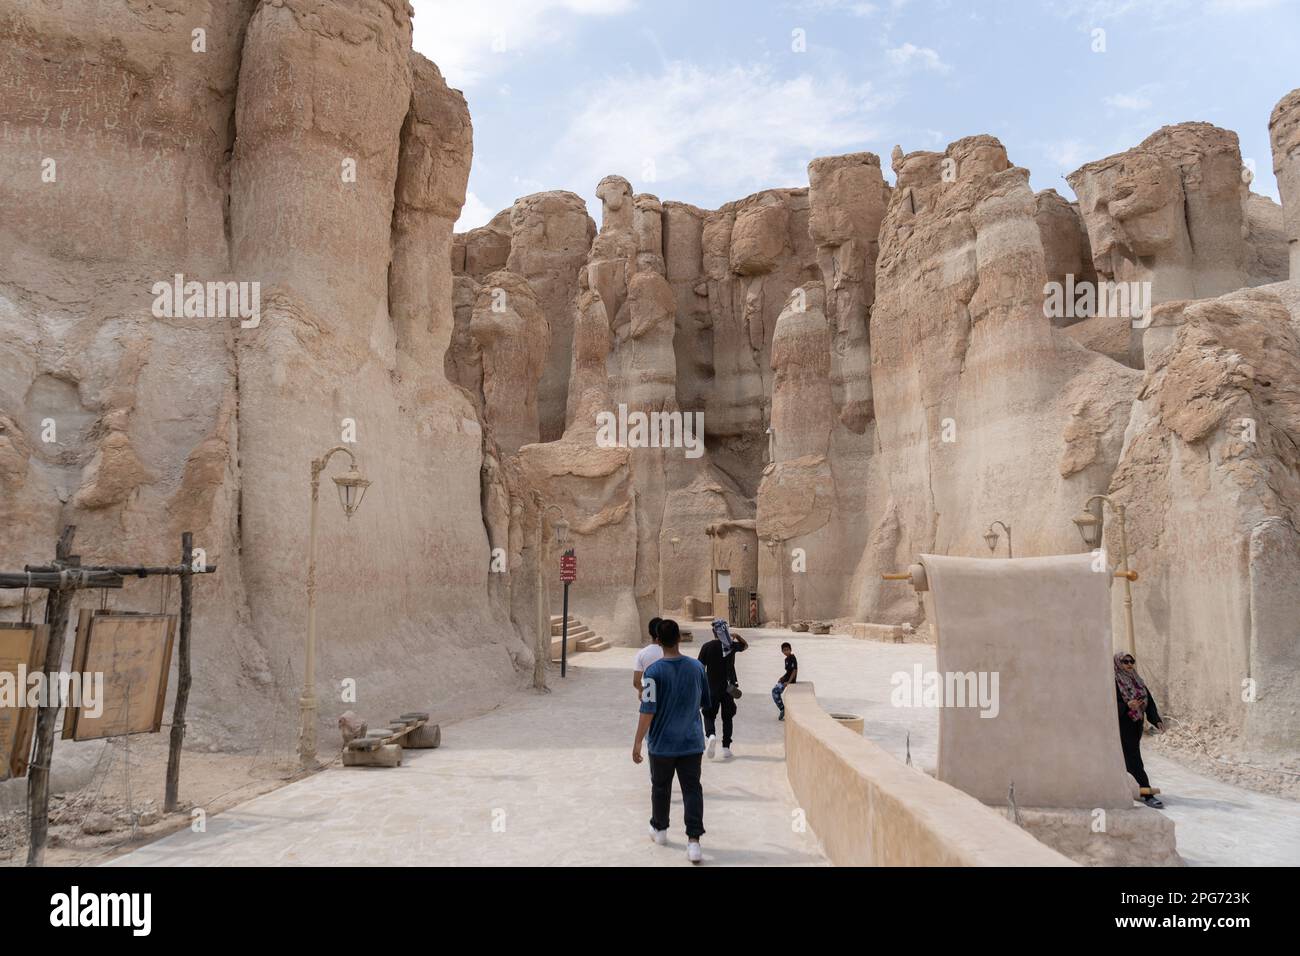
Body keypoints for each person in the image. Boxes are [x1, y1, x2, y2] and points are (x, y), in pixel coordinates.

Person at [633, 619, 711, 863]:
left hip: (662, 744)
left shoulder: (652, 673)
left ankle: (660, 829)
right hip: (690, 742)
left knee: (660, 787)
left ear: (658, 640)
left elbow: (647, 710)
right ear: (679, 638)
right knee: (692, 789)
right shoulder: (697, 667)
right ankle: (694, 841)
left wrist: (637, 743)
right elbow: (703, 701)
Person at [1115, 651, 1165, 808]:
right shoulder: (1113, 682)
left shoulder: (1137, 680)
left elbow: (1148, 701)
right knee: (1134, 760)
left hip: (1136, 724)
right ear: (1118, 663)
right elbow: (1107, 703)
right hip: (1121, 725)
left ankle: (1127, 790)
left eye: (1131, 661)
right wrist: (1125, 706)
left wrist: (1155, 720)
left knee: (1128, 760)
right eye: (1125, 661)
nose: (1129, 664)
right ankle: (1147, 794)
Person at [697, 621, 748, 759]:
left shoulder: (707, 647)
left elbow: (700, 668)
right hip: (728, 689)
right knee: (727, 717)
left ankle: (711, 735)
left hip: (711, 688)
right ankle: (726, 747)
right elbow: (745, 645)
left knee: (708, 714)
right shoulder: (730, 646)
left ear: (714, 632)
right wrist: (737, 635)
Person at [633, 617, 664, 699]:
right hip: (667, 696)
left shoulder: (642, 653)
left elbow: (636, 682)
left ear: (649, 632)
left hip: (650, 694)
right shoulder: (669, 652)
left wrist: (642, 690)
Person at [771, 642, 798, 720]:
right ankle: (783, 709)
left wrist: (788, 682)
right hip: (786, 679)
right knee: (774, 690)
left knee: (775, 691)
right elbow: (788, 672)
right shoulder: (786, 659)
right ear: (782, 651)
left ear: (790, 650)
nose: (786, 651)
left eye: (787, 650)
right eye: (784, 650)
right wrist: (782, 677)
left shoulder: (793, 658)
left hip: (790, 680)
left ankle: (783, 709)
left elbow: (794, 671)